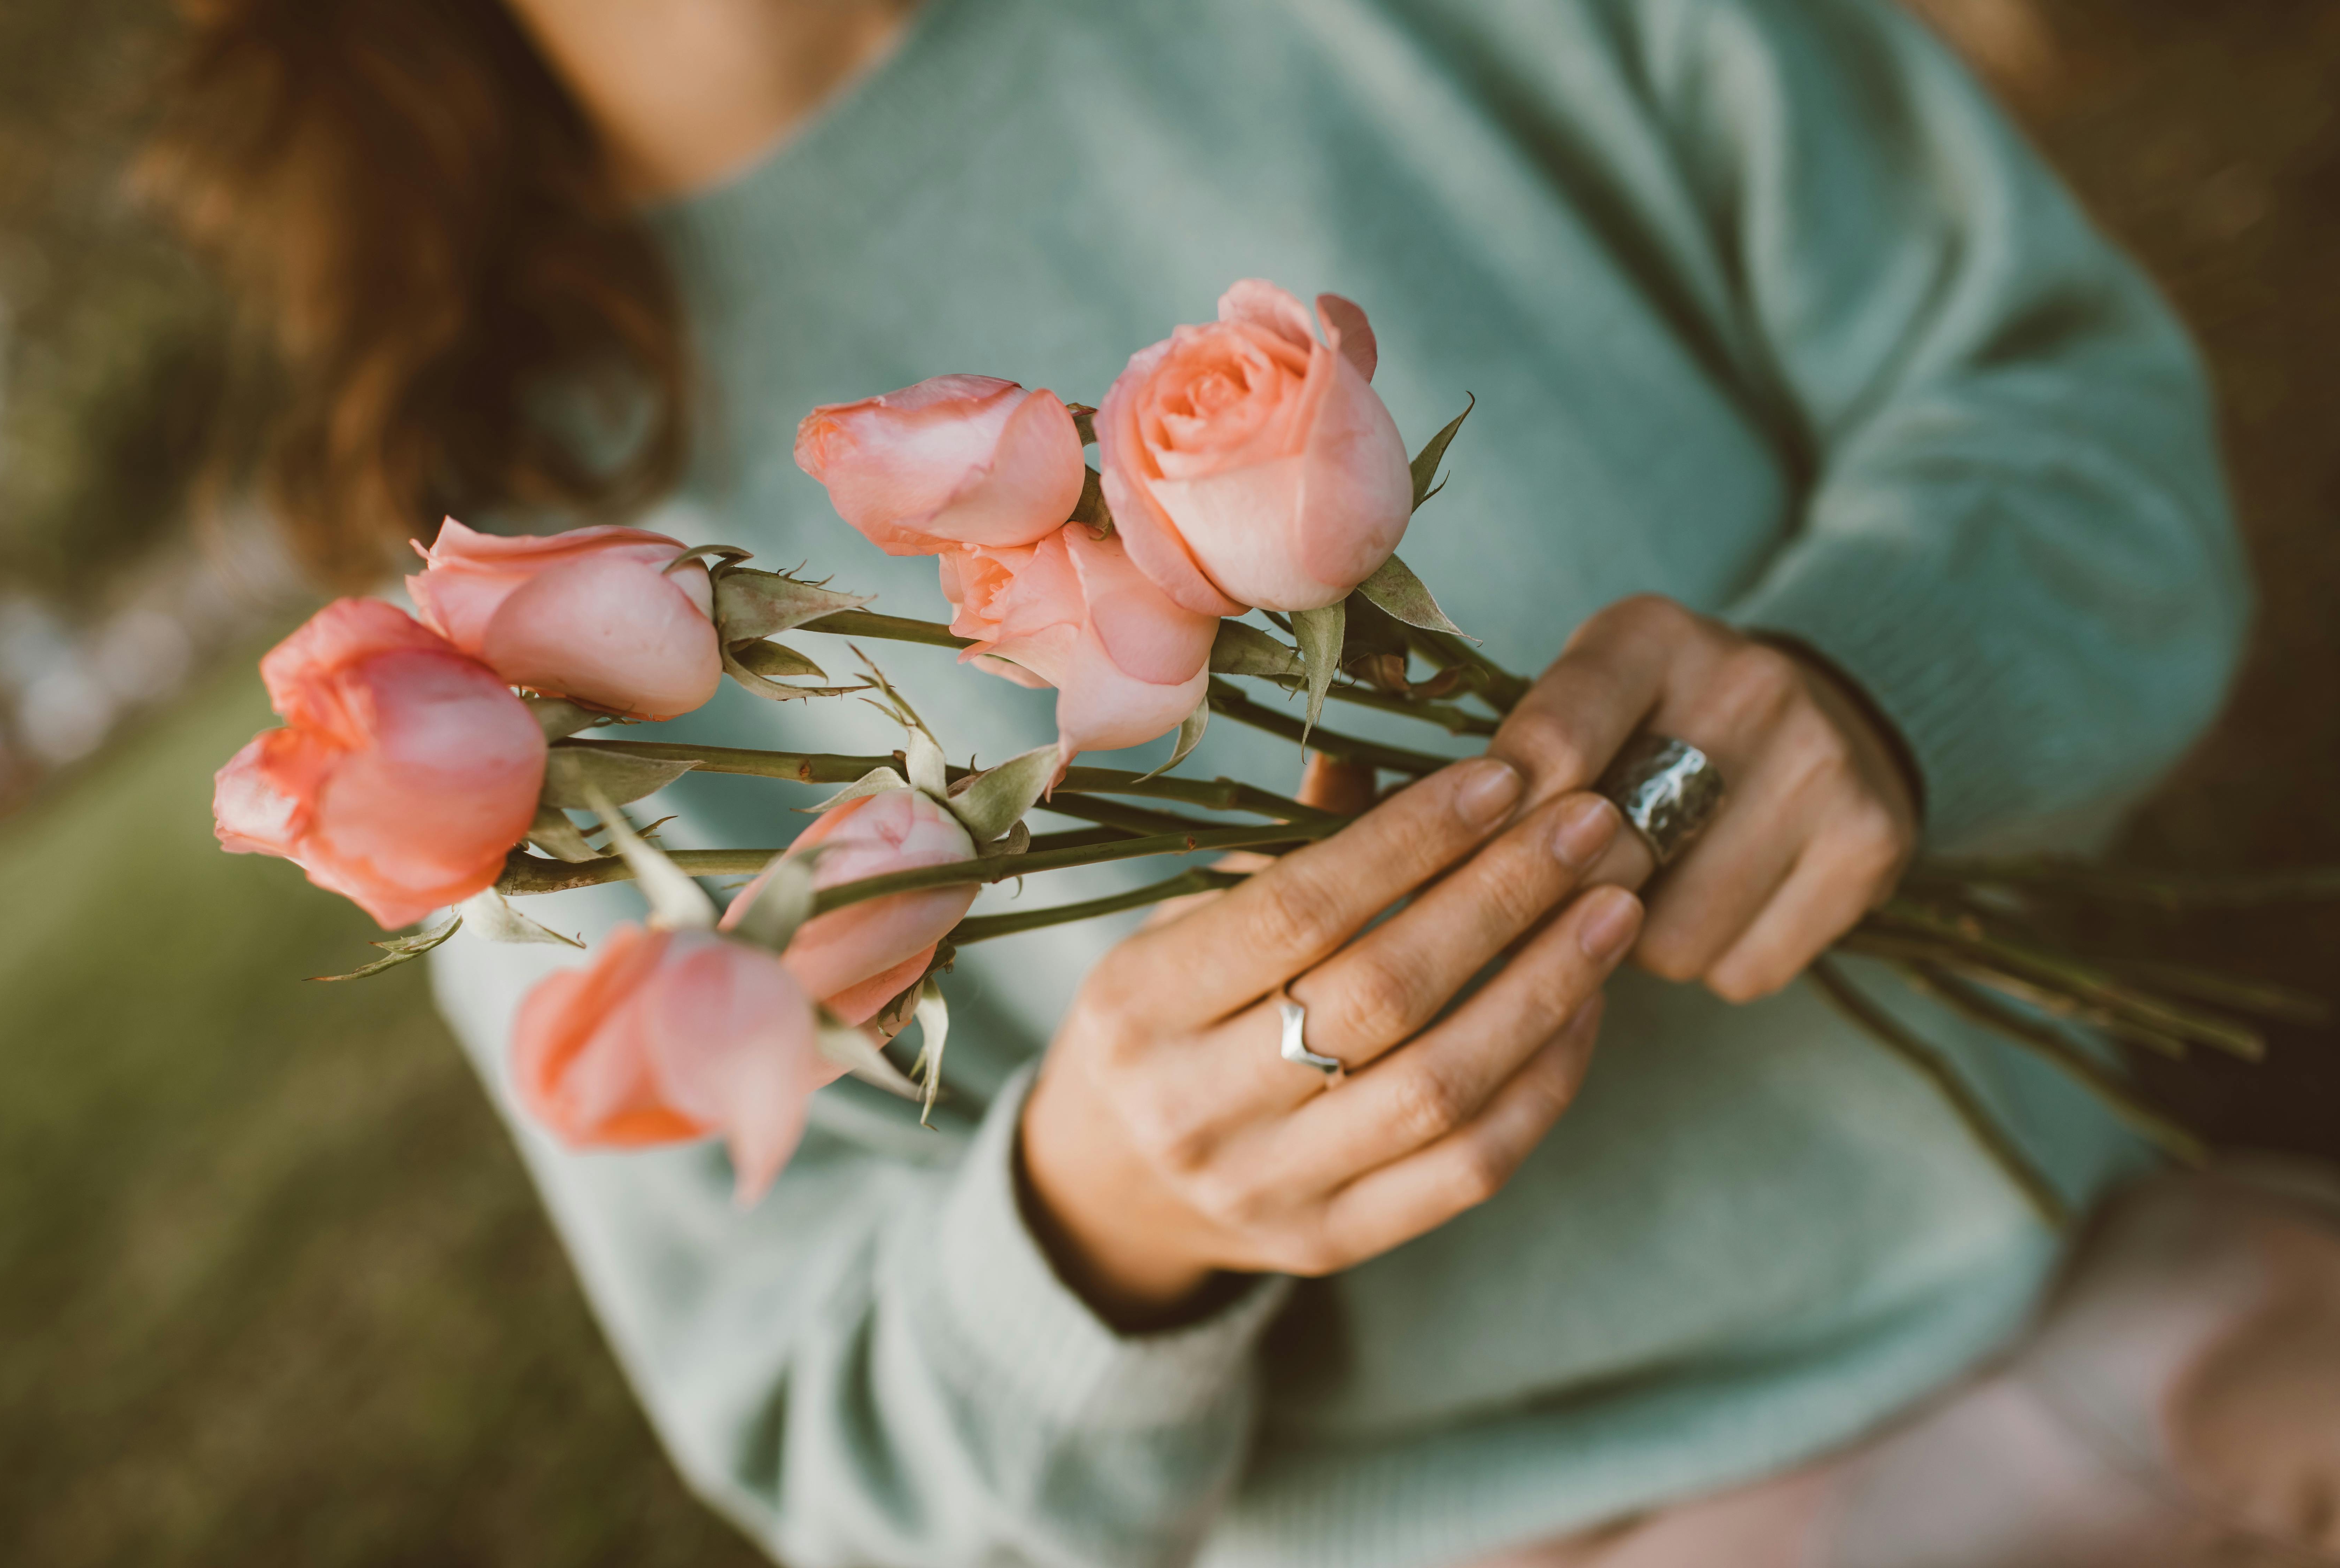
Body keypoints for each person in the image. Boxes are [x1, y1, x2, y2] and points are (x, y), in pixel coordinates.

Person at [152, 0, 2340, 1563]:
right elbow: (836, 1447)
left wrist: (1881, 685)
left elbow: (2058, 399)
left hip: (2161, 1295)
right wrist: (1109, 1222)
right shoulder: (486, 642)